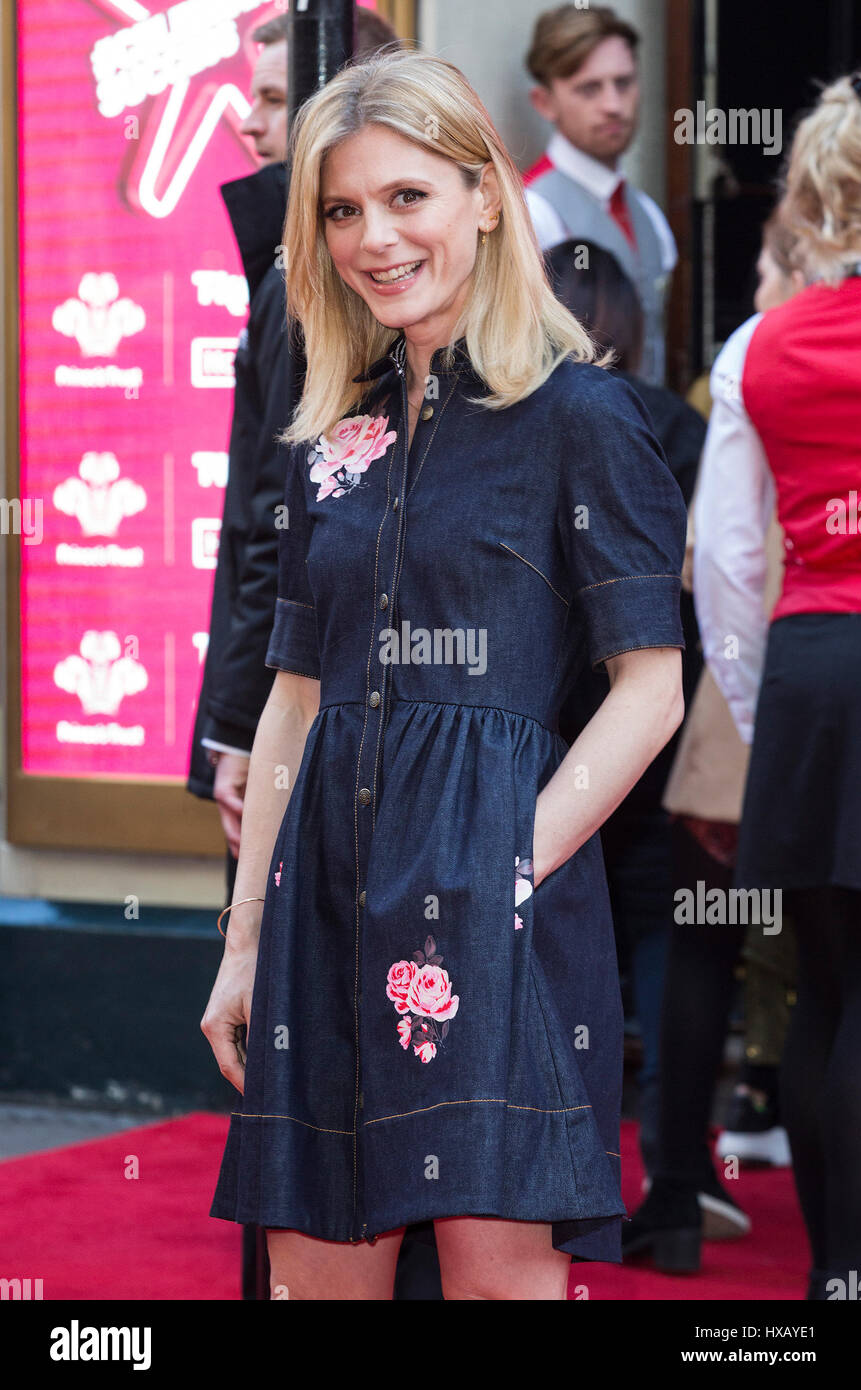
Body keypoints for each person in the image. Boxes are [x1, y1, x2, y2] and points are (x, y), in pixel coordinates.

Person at [201, 46, 686, 1302]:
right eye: (343, 209)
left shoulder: (580, 414)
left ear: (484, 193)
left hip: (498, 904)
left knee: (493, 1290)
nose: (374, 238)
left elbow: (651, 684)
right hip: (323, 904)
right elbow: (294, 698)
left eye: (407, 196)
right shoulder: (334, 428)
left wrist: (507, 861)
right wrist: (243, 942)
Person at [185, 3, 408, 1301]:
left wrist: (241, 721)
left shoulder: (327, 270)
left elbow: (269, 531)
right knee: (293, 1084)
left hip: (378, 738)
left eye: (269, 98)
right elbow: (262, 520)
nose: (245, 121)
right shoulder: (292, 265)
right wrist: (237, 727)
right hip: (297, 709)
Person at [693, 72, 861, 1300]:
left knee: (824, 988)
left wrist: (763, 717)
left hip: (809, 674)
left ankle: (839, 1274)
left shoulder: (757, 345)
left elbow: (724, 560)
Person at [622, 206, 804, 1274]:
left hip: (755, 671)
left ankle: (679, 1198)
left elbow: (713, 559)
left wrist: (732, 699)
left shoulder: (751, 364)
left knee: (697, 943)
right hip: (801, 669)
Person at [544, 239, 705, 1181]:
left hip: (561, 712)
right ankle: (667, 1178)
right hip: (648, 700)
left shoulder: (546, 414)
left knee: (573, 925)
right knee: (656, 925)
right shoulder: (670, 427)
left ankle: (564, 1143)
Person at [522, 5, 677, 385]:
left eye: (623, 83)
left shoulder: (649, 215)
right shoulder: (532, 211)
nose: (613, 105)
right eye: (590, 88)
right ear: (544, 101)